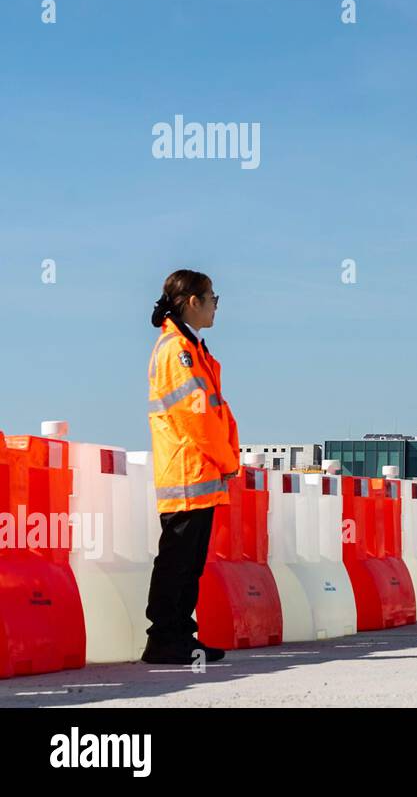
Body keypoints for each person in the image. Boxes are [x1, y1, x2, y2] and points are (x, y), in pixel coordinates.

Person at [141, 269, 240, 665]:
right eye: (212, 297)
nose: (216, 304)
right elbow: (196, 419)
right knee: (178, 561)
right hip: (187, 473)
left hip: (199, 473)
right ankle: (165, 638)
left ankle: (179, 636)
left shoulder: (192, 348)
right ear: (192, 301)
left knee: (188, 563)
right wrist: (228, 460)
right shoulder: (177, 352)